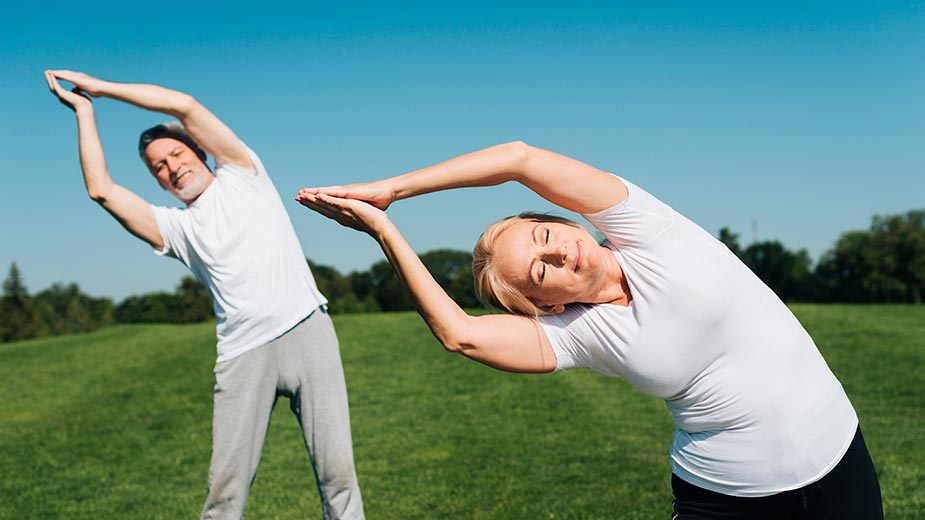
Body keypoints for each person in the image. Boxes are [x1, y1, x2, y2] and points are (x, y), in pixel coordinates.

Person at [296, 141, 883, 519]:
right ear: (543, 304)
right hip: (728, 498)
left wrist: (394, 190)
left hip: (840, 457)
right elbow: (460, 334)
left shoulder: (645, 225)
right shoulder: (578, 334)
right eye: (538, 272)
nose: (557, 255)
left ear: (562, 219)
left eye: (547, 237)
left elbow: (519, 160)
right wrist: (383, 231)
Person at [45, 70, 364, 520]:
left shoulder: (243, 173)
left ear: (200, 151)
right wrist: (84, 111)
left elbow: (186, 107)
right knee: (224, 495)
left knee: (339, 479)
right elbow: (101, 189)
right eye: (159, 167)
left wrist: (102, 88)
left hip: (308, 333)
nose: (172, 167)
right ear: (158, 181)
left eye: (176, 153)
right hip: (242, 355)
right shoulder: (176, 229)